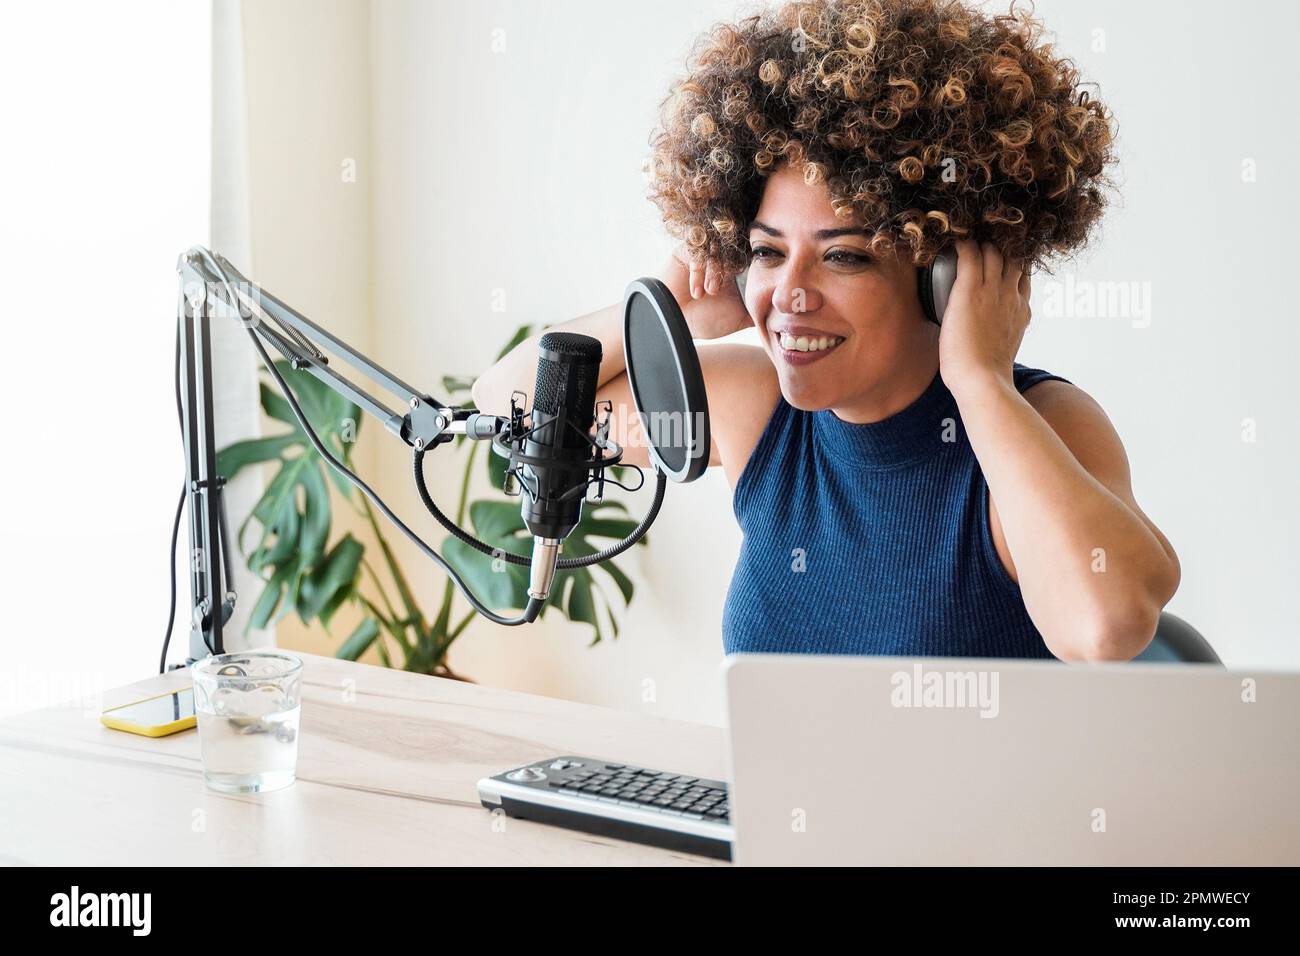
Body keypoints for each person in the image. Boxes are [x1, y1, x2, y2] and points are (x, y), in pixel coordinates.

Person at [473, 0, 1180, 661]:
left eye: (844, 256)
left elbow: (1105, 625)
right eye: (767, 252)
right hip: (772, 798)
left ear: (942, 274)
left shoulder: (1046, 422)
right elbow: (512, 405)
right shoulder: (756, 414)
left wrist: (980, 382)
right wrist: (671, 316)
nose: (789, 293)